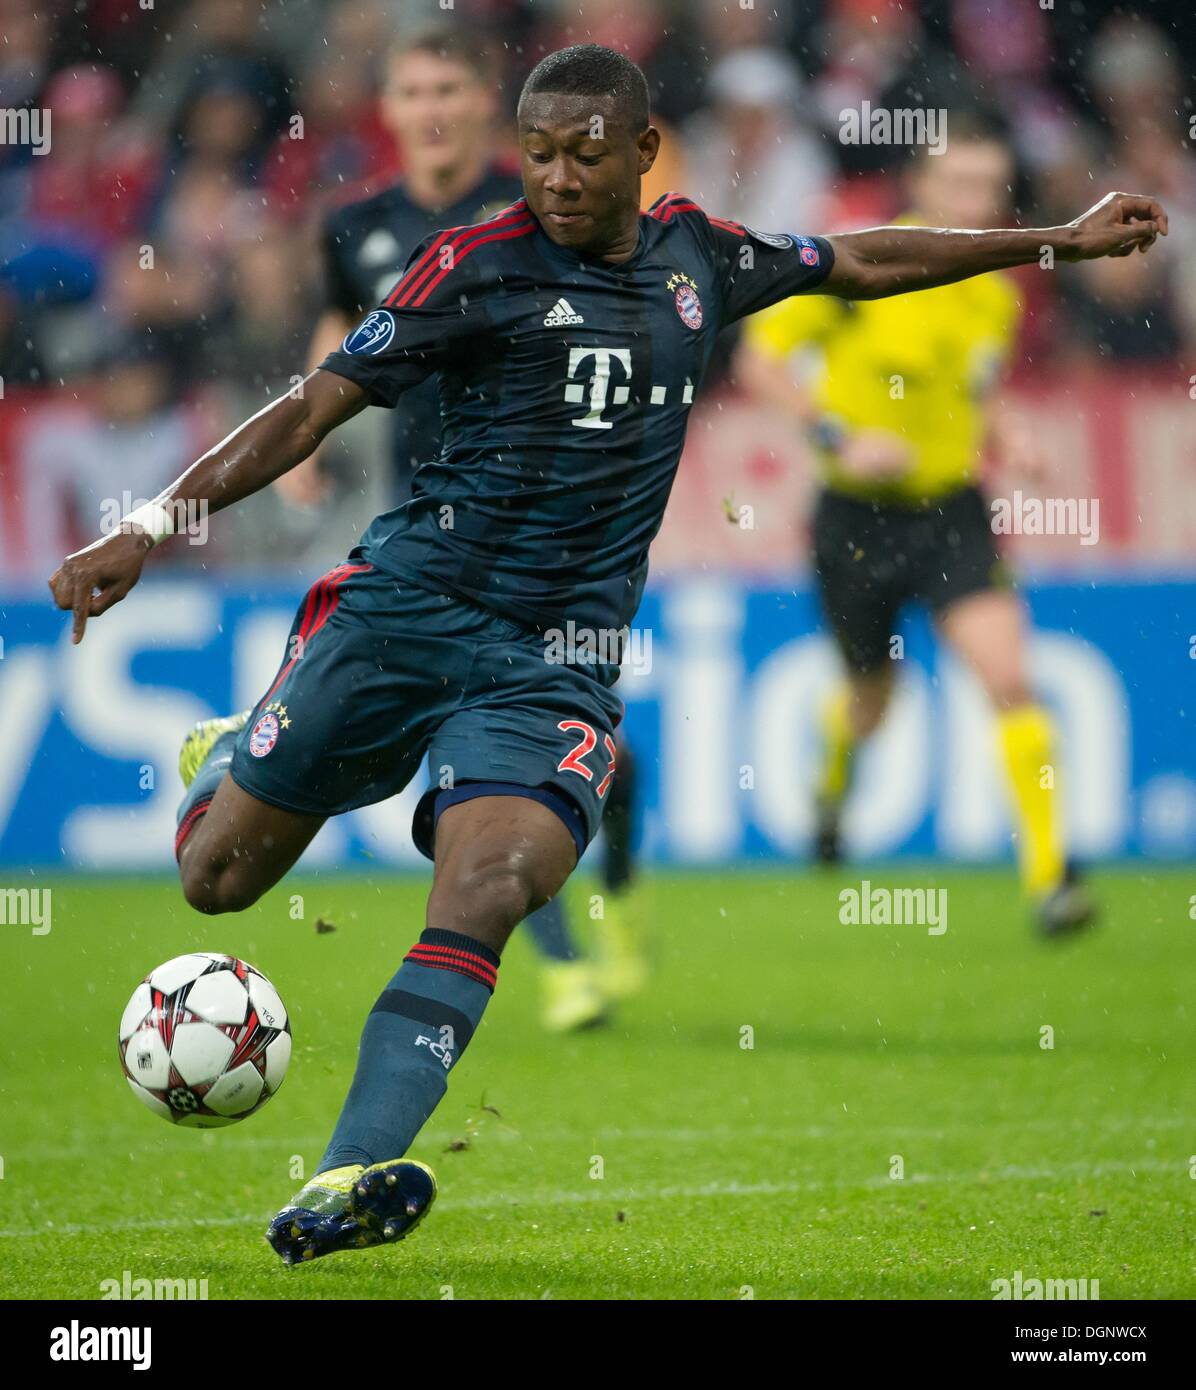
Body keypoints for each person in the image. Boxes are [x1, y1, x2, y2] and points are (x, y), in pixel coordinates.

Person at [49, 43, 1166, 1263]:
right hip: (407, 609)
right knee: (216, 882)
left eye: (587, 154)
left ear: (642, 151)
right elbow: (315, 403)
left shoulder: (701, 255)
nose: (558, 178)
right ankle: (223, 766)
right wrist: (149, 528)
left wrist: (1053, 236)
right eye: (536, 155)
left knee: (496, 879)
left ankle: (344, 1173)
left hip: (554, 658)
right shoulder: (470, 266)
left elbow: (863, 262)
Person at [277, 23, 611, 1034]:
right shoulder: (356, 226)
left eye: (448, 87)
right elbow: (336, 335)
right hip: (423, 521)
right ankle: (566, 962)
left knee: (550, 749)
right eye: (411, 88)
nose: (429, 106)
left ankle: (596, 919)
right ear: (387, 108)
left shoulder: (528, 219)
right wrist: (304, 441)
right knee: (479, 745)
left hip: (546, 527)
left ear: (483, 105)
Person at [735, 124, 1098, 934]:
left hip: (952, 510)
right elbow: (757, 363)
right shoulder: (865, 264)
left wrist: (1011, 435)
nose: (977, 204)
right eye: (961, 185)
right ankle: (833, 793)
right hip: (854, 519)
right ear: (921, 187)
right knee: (872, 701)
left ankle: (1052, 880)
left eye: (990, 187)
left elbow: (976, 391)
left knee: (1009, 678)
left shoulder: (995, 291)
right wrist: (838, 435)